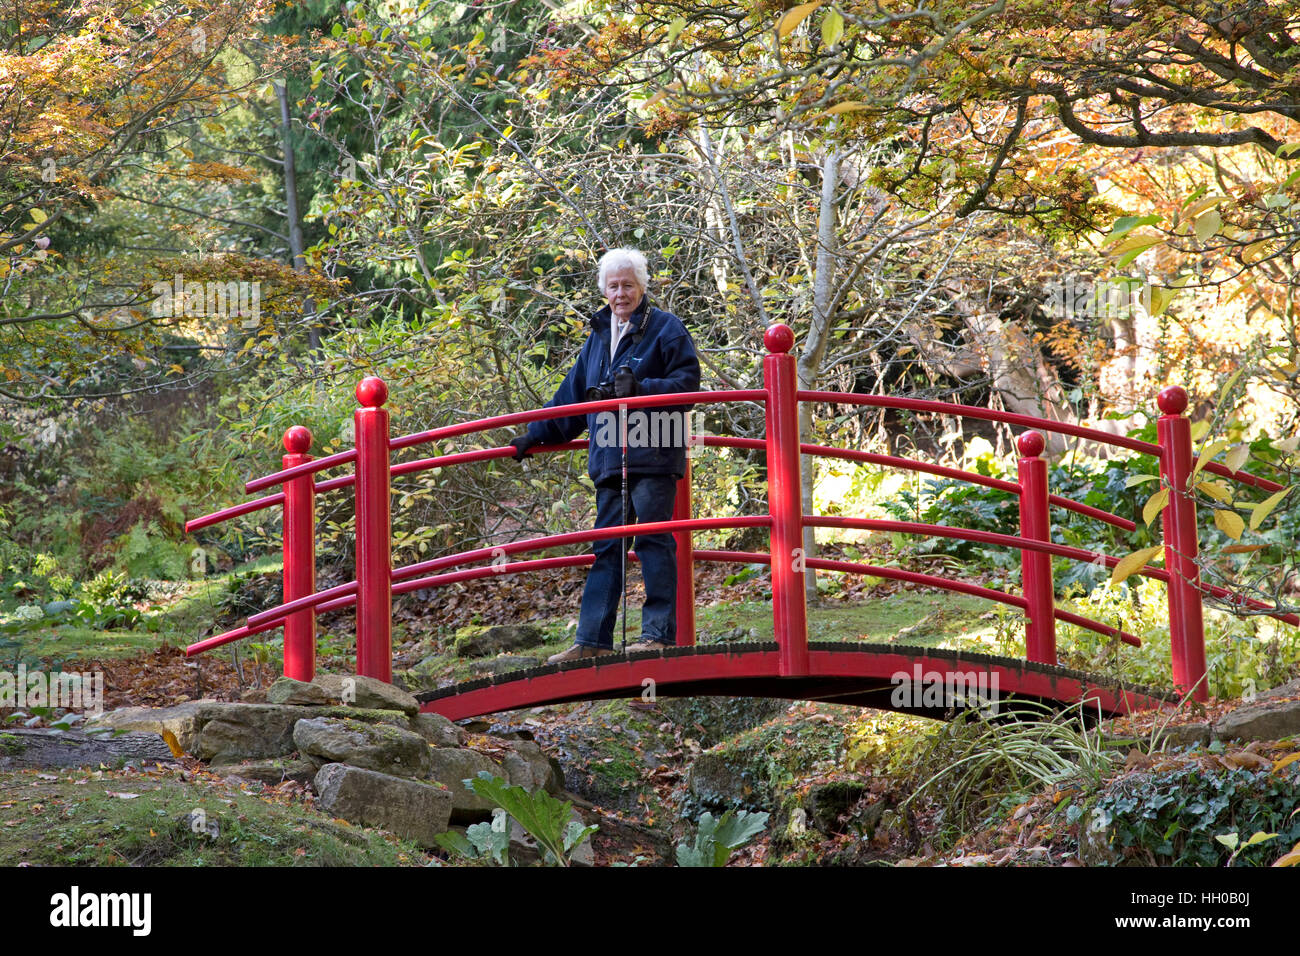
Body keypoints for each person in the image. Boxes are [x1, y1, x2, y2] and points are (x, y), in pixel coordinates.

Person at [507, 248, 701, 661]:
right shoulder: (597, 336)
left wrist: (642, 390)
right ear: (603, 290)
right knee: (606, 548)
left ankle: (658, 637)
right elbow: (573, 399)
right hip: (612, 458)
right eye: (613, 286)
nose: (620, 293)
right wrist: (534, 436)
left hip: (653, 451)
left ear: (642, 286)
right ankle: (592, 642)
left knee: (653, 540)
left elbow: (688, 388)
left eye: (628, 285)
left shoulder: (666, 329)